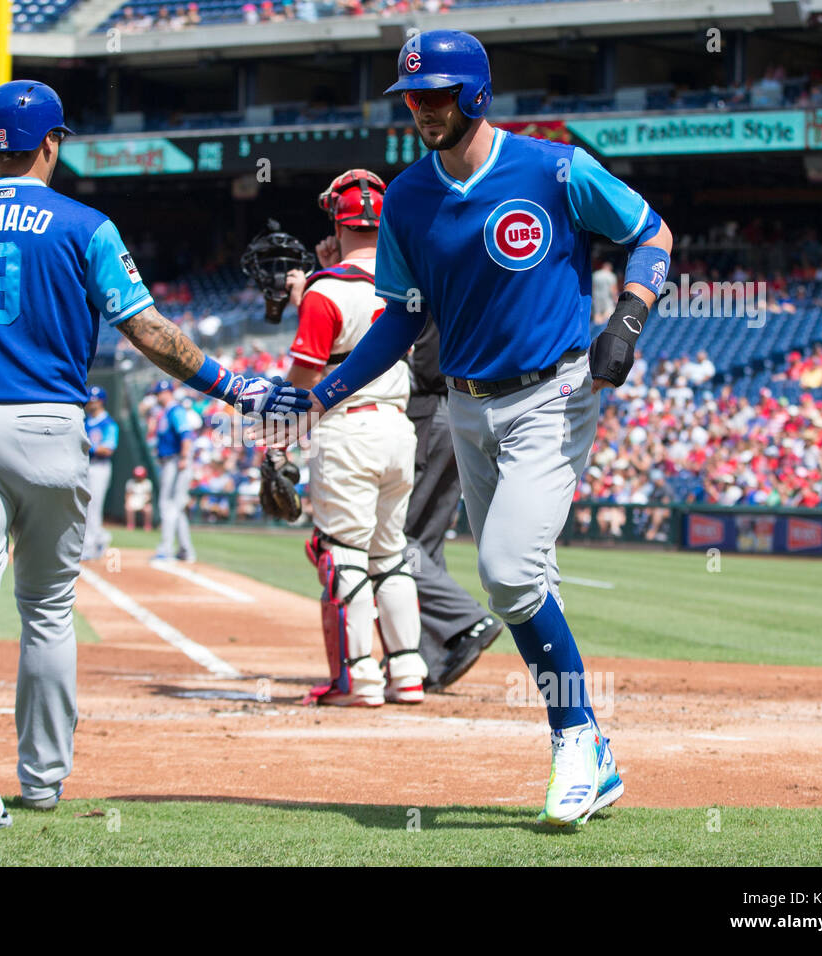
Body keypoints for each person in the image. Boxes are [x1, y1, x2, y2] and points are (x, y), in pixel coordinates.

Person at [0, 80, 309, 831]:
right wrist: (236, 388)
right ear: (49, 143)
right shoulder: (86, 224)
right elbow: (148, 332)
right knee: (45, 610)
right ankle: (41, 780)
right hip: (48, 428)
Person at [300, 31, 673, 826]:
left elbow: (653, 233)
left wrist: (630, 319)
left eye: (437, 92)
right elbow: (401, 322)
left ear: (475, 93)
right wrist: (325, 390)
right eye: (413, 95)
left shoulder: (554, 169)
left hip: (555, 393)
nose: (422, 107)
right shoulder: (405, 200)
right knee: (533, 580)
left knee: (505, 571)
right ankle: (592, 748)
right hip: (465, 406)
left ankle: (576, 739)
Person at [281, 169, 428, 706]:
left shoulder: (323, 291)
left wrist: (308, 293)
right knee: (390, 555)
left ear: (334, 220)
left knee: (343, 553)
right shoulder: (404, 279)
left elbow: (304, 375)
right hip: (398, 427)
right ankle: (408, 673)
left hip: (347, 428)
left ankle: (359, 677)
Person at [402, 317, 504, 690]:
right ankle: (433, 659)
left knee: (391, 540)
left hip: (427, 414)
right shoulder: (466, 274)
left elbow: (422, 361)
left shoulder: (419, 273)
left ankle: (467, 620)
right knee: (424, 543)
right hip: (464, 412)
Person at [151, 380, 197, 562]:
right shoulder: (167, 412)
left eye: (159, 393)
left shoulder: (175, 410)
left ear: (167, 393)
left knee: (168, 505)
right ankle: (185, 549)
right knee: (176, 507)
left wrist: (185, 457)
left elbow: (186, 435)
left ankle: (166, 549)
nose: (157, 397)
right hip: (171, 460)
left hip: (177, 460)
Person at [82, 385, 118, 560]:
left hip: (99, 467)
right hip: (86, 466)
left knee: (93, 506)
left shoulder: (108, 423)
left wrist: (89, 447)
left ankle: (91, 544)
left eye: (93, 400)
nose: (90, 403)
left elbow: (108, 449)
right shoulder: (86, 421)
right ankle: (100, 537)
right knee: (85, 506)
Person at [125, 465, 154, 531]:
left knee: (148, 508)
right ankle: (130, 525)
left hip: (143, 503)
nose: (138, 477)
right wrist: (129, 502)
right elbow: (128, 495)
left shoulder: (147, 483)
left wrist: (145, 502)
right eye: (137, 476)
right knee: (128, 507)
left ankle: (147, 526)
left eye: (140, 476)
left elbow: (149, 495)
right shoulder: (131, 482)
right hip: (133, 502)